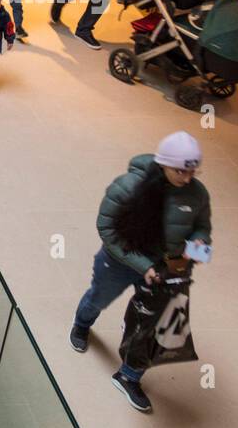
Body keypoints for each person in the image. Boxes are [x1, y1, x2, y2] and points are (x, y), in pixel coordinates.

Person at [70, 132, 211, 413]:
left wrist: (199, 242)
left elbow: (202, 226)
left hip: (167, 269)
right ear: (163, 165)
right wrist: (143, 266)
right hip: (121, 262)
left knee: (153, 325)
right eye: (180, 171)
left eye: (192, 171)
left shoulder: (197, 193)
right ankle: (83, 324)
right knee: (99, 298)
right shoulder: (128, 187)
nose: (187, 178)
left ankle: (129, 376)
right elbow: (107, 229)